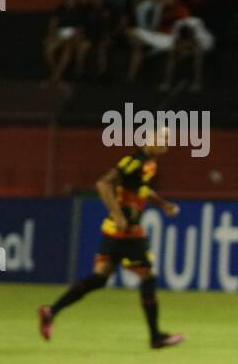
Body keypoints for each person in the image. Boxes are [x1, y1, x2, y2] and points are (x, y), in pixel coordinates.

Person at [39, 140, 186, 350]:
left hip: (116, 232)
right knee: (148, 276)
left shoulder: (149, 164)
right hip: (127, 232)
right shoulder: (133, 162)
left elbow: (142, 190)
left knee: (100, 277)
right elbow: (103, 183)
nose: (165, 144)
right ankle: (156, 337)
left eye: (166, 140)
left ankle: (50, 311)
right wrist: (118, 214)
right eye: (160, 139)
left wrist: (162, 203)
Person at [43, 0, 86, 84]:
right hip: (60, 33)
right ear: (65, 0)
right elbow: (52, 24)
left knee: (67, 51)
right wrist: (50, 36)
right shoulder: (59, 9)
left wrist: (75, 37)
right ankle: (56, 73)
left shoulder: (80, 10)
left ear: (76, 0)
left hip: (73, 34)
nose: (70, 1)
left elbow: (81, 28)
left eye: (73, 0)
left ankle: (55, 77)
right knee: (49, 49)